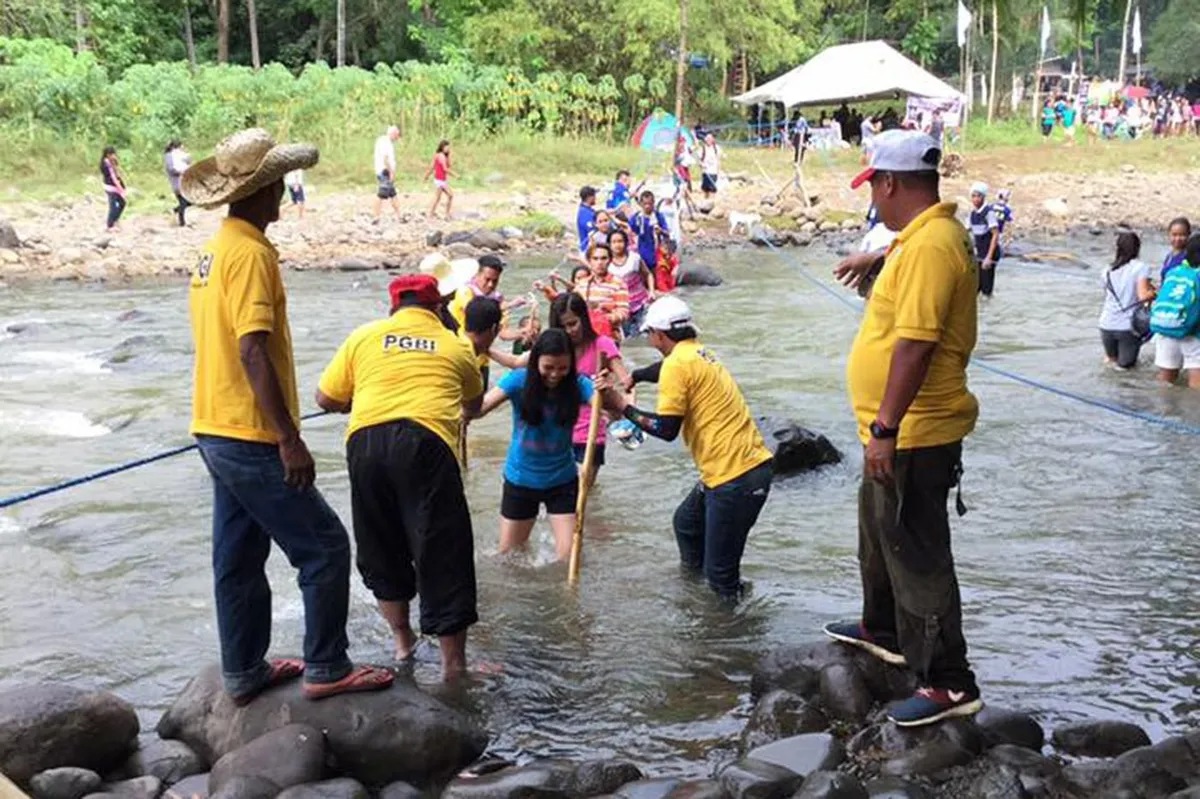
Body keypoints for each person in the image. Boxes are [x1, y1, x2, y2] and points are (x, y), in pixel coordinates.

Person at [181, 127, 394, 702]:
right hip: (250, 434)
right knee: (324, 547)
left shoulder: (214, 249)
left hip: (212, 425)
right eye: (276, 186)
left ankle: (244, 671)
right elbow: (251, 348)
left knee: (237, 556)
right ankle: (327, 666)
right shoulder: (250, 254)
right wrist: (288, 439)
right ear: (262, 191)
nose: (281, 195)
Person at [827, 129, 982, 727]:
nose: (873, 200)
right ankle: (884, 628)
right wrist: (879, 255)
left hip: (914, 430)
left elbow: (915, 345)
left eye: (873, 187)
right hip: (896, 428)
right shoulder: (922, 238)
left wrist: (886, 428)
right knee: (878, 531)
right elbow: (915, 260)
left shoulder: (929, 247)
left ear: (890, 183)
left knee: (916, 550)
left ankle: (949, 681)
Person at [316, 273, 483, 678]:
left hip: (365, 443)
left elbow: (325, 398)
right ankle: (452, 666)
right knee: (442, 550)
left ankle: (403, 645)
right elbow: (473, 405)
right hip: (426, 443)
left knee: (380, 543)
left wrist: (356, 399)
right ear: (438, 307)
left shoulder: (364, 337)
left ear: (393, 307)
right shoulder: (454, 345)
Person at [602, 296, 772, 601]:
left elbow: (666, 430)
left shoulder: (678, 365)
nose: (651, 340)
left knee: (721, 575)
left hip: (734, 478)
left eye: (651, 335)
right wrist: (636, 376)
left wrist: (622, 407)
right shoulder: (697, 353)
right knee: (687, 523)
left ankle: (725, 634)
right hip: (742, 469)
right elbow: (665, 368)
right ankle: (695, 594)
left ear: (659, 334)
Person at [474, 329, 595, 561]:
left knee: (570, 557)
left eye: (562, 368)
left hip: (563, 479)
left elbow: (608, 408)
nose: (555, 374)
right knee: (509, 557)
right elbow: (480, 408)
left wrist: (605, 392)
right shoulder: (518, 381)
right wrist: (463, 401)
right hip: (521, 478)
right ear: (535, 360)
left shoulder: (579, 384)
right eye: (548, 367)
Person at [549, 293, 631, 487]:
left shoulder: (602, 345)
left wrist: (613, 396)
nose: (569, 331)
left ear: (584, 319)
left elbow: (626, 383)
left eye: (573, 324)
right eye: (563, 326)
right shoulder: (553, 350)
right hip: (557, 430)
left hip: (591, 432)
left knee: (583, 493)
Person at [1151, 234, 1200, 388]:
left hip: (1166, 327)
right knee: (1196, 386)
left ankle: (1162, 410)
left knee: (1165, 382)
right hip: (1193, 334)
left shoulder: (1174, 272)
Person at [1099, 232, 1154, 369]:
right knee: (1127, 370)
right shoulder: (1140, 268)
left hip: (1106, 324)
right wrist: (1155, 293)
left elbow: (1107, 295)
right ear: (1137, 248)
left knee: (1111, 363)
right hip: (1127, 327)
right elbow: (1143, 296)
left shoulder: (1106, 270)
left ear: (1118, 248)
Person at [574, 242, 630, 338]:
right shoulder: (581, 285)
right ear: (589, 261)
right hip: (584, 337)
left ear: (610, 260)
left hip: (609, 337)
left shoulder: (619, 284)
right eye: (595, 259)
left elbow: (624, 313)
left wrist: (602, 317)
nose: (599, 262)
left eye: (604, 258)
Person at [608, 229, 655, 337]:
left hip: (641, 303)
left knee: (644, 334)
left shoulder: (634, 258)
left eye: (620, 241)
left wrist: (651, 291)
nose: (617, 245)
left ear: (626, 243)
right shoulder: (606, 262)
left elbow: (648, 274)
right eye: (614, 242)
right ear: (609, 245)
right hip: (621, 306)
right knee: (628, 337)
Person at [968, 182, 1001, 297]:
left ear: (983, 197)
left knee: (986, 290)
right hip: (979, 254)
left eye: (979, 196)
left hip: (989, 254)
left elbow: (995, 234)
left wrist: (989, 257)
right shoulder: (972, 214)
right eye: (973, 196)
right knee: (975, 288)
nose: (976, 199)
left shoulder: (989, 213)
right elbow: (966, 232)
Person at [630, 190, 667, 274]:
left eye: (650, 204)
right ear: (640, 204)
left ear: (654, 203)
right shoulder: (637, 218)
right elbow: (631, 232)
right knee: (644, 273)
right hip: (642, 251)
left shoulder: (658, 216)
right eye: (645, 204)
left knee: (657, 274)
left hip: (656, 251)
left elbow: (667, 233)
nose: (647, 206)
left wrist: (661, 231)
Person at [372, 125, 402, 224]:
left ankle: (399, 216)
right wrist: (391, 172)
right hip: (384, 171)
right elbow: (385, 159)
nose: (397, 138)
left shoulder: (383, 140)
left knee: (393, 194)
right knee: (381, 194)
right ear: (393, 134)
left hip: (383, 170)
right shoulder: (386, 142)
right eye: (397, 135)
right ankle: (376, 216)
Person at [424, 139, 456, 220]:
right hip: (440, 180)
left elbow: (448, 165)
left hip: (439, 179)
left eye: (449, 148)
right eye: (447, 147)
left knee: (438, 197)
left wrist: (426, 176)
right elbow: (445, 169)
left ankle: (431, 213)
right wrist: (455, 175)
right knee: (450, 195)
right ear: (442, 147)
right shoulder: (441, 156)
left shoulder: (439, 155)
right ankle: (446, 214)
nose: (448, 149)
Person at [100, 146, 127, 233]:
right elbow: (112, 177)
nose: (114, 156)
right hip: (111, 187)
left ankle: (115, 220)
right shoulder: (106, 164)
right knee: (113, 206)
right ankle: (110, 224)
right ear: (108, 155)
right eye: (112, 154)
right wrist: (119, 187)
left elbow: (118, 174)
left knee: (122, 203)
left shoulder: (112, 162)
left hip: (116, 186)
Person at [164, 140, 191, 227]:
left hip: (183, 181)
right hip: (177, 182)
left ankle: (175, 211)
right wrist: (180, 171)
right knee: (184, 201)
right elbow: (171, 168)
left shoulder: (178, 155)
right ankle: (181, 222)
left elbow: (188, 160)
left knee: (188, 201)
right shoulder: (169, 156)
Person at [1159, 217, 1191, 284]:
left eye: (1182, 235)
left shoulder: (1189, 257)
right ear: (1169, 235)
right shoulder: (1169, 256)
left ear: (1189, 235)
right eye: (1174, 235)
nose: (1177, 239)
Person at [577, 186, 598, 254]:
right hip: (588, 251)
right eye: (594, 196)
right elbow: (592, 233)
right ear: (590, 197)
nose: (596, 198)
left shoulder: (587, 210)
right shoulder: (585, 213)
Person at [699, 133, 721, 198]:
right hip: (705, 172)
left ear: (712, 140)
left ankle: (712, 202)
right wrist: (701, 164)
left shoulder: (716, 148)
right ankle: (706, 201)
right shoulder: (703, 148)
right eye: (707, 139)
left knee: (713, 189)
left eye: (710, 139)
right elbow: (699, 160)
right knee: (706, 190)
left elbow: (718, 160)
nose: (708, 140)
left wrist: (719, 171)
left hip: (713, 172)